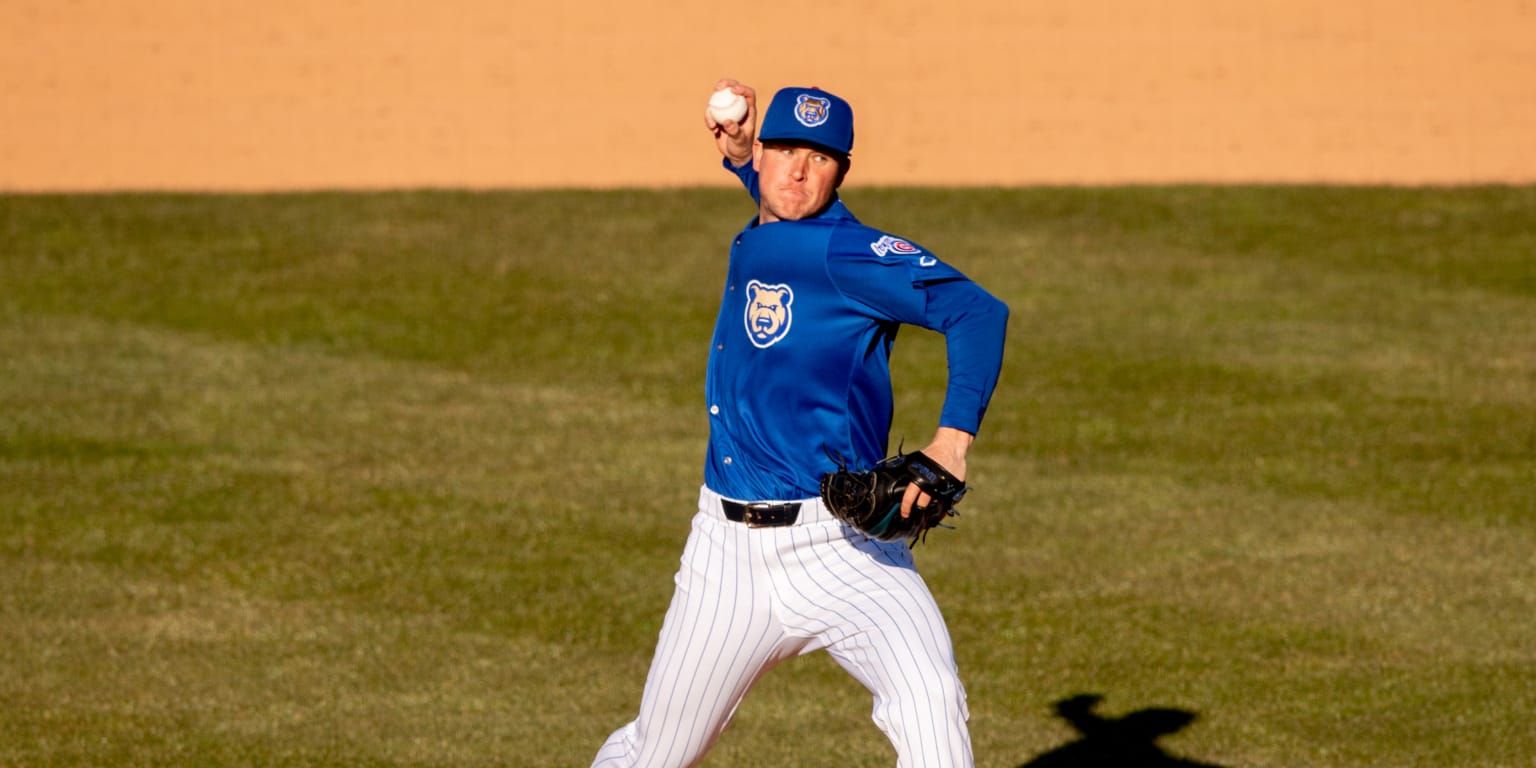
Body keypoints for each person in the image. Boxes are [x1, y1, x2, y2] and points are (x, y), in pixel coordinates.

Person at [590, 79, 1009, 768]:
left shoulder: (850, 255)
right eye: (783, 149)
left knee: (932, 707)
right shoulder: (768, 225)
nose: (798, 169)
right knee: (655, 752)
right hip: (724, 558)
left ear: (842, 171)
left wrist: (952, 442)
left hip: (840, 548)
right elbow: (777, 203)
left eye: (819, 157)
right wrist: (738, 153)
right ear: (761, 156)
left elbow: (978, 312)